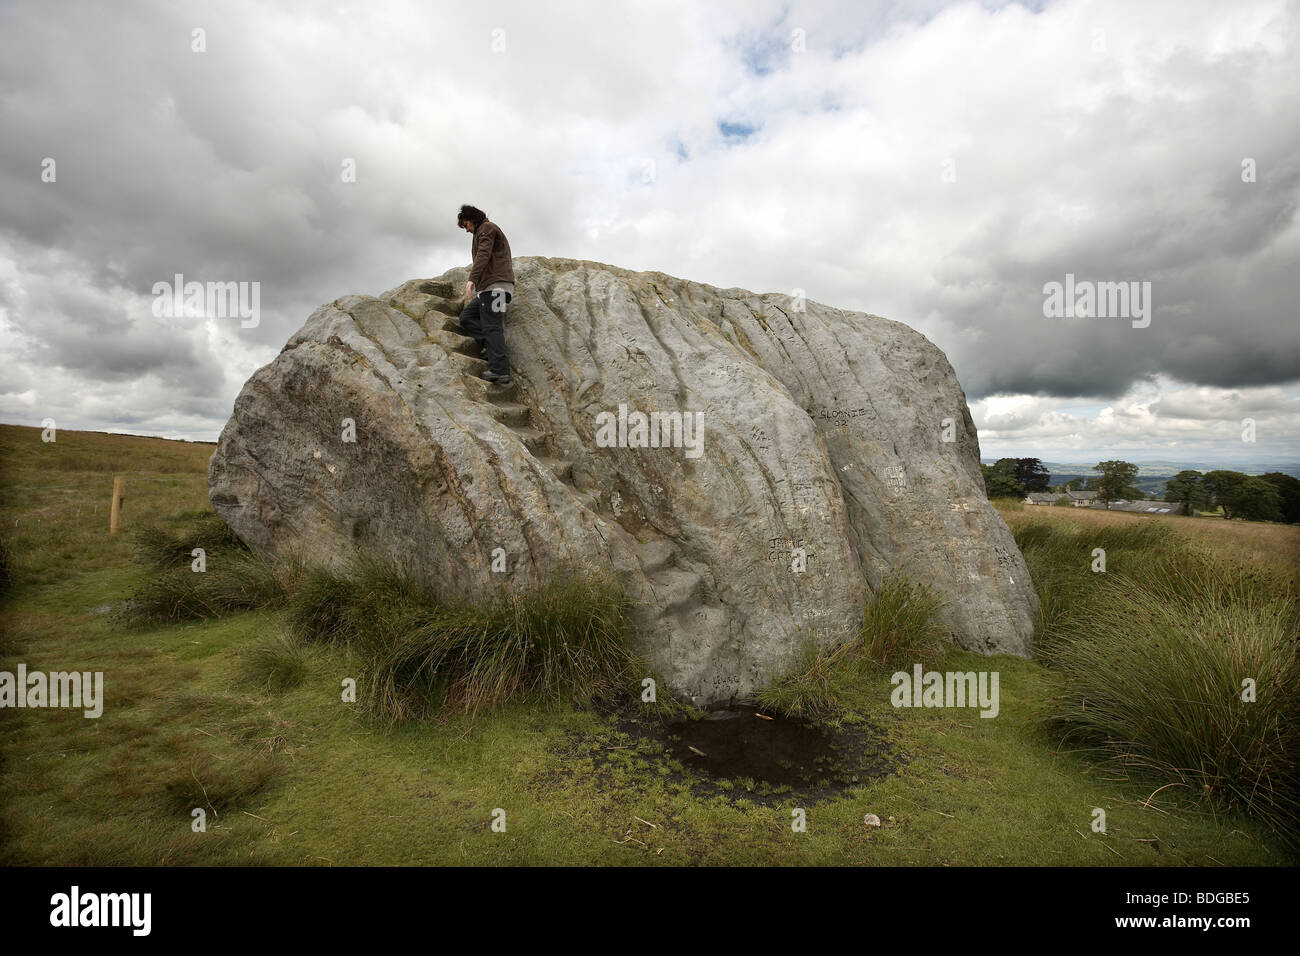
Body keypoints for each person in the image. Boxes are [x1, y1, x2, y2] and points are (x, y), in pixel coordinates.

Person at [456, 204, 515, 385]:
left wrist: (471, 279)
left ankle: (500, 370)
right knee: (467, 317)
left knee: (492, 326)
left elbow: (484, 254)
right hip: (489, 290)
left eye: (465, 225)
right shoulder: (482, 231)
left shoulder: (487, 229)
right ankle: (490, 349)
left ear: (472, 219)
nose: (466, 230)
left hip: (495, 288)